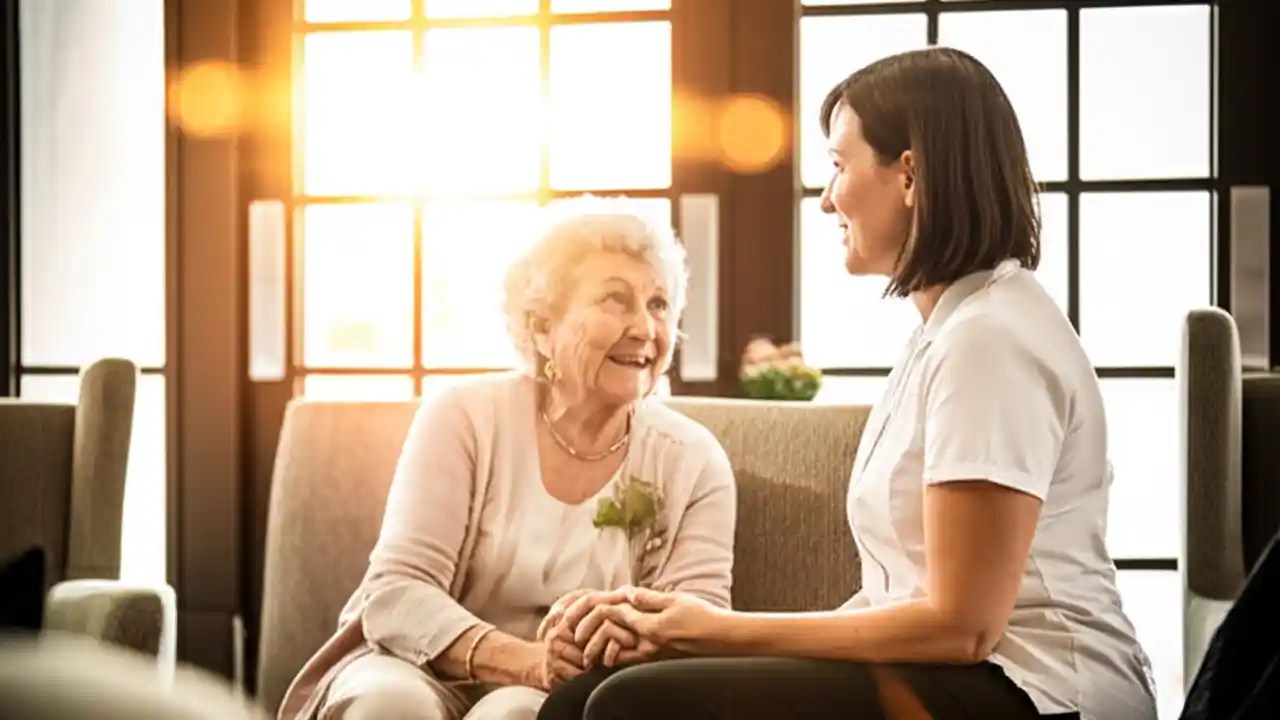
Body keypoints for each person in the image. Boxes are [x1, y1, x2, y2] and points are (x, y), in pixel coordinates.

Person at [537, 47, 1158, 720]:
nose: (828, 197)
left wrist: (709, 629)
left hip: (1034, 691)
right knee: (579, 700)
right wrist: (684, 635)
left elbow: (962, 627)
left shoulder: (990, 341)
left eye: (839, 165)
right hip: (954, 676)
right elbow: (901, 604)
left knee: (633, 707)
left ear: (910, 175)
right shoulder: (945, 332)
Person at [276, 199, 738, 720]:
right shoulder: (465, 417)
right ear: (542, 327)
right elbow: (397, 590)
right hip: (416, 662)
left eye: (659, 305)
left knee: (515, 717)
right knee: (391, 706)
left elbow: (699, 630)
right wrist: (523, 659)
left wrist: (628, 640)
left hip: (569, 691)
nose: (644, 328)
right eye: (616, 299)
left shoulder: (692, 460)